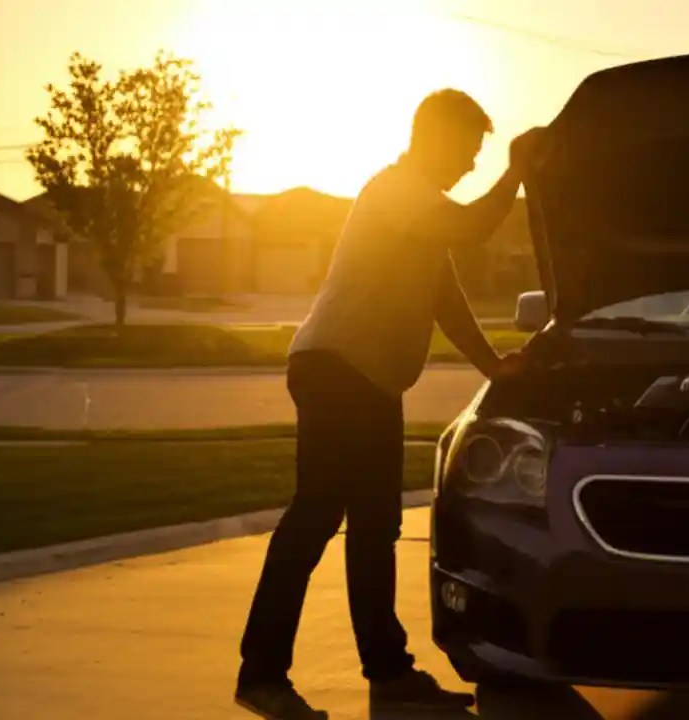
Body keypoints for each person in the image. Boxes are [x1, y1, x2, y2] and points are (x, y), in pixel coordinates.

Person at [233, 89, 547, 720]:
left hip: (367, 381)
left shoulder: (422, 212)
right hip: (336, 371)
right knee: (318, 514)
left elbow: (446, 302)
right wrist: (518, 169)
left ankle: (388, 672)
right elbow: (477, 225)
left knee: (375, 526)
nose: (469, 167)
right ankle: (262, 674)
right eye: (467, 151)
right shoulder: (397, 190)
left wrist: (495, 366)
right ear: (435, 136)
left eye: (480, 158)